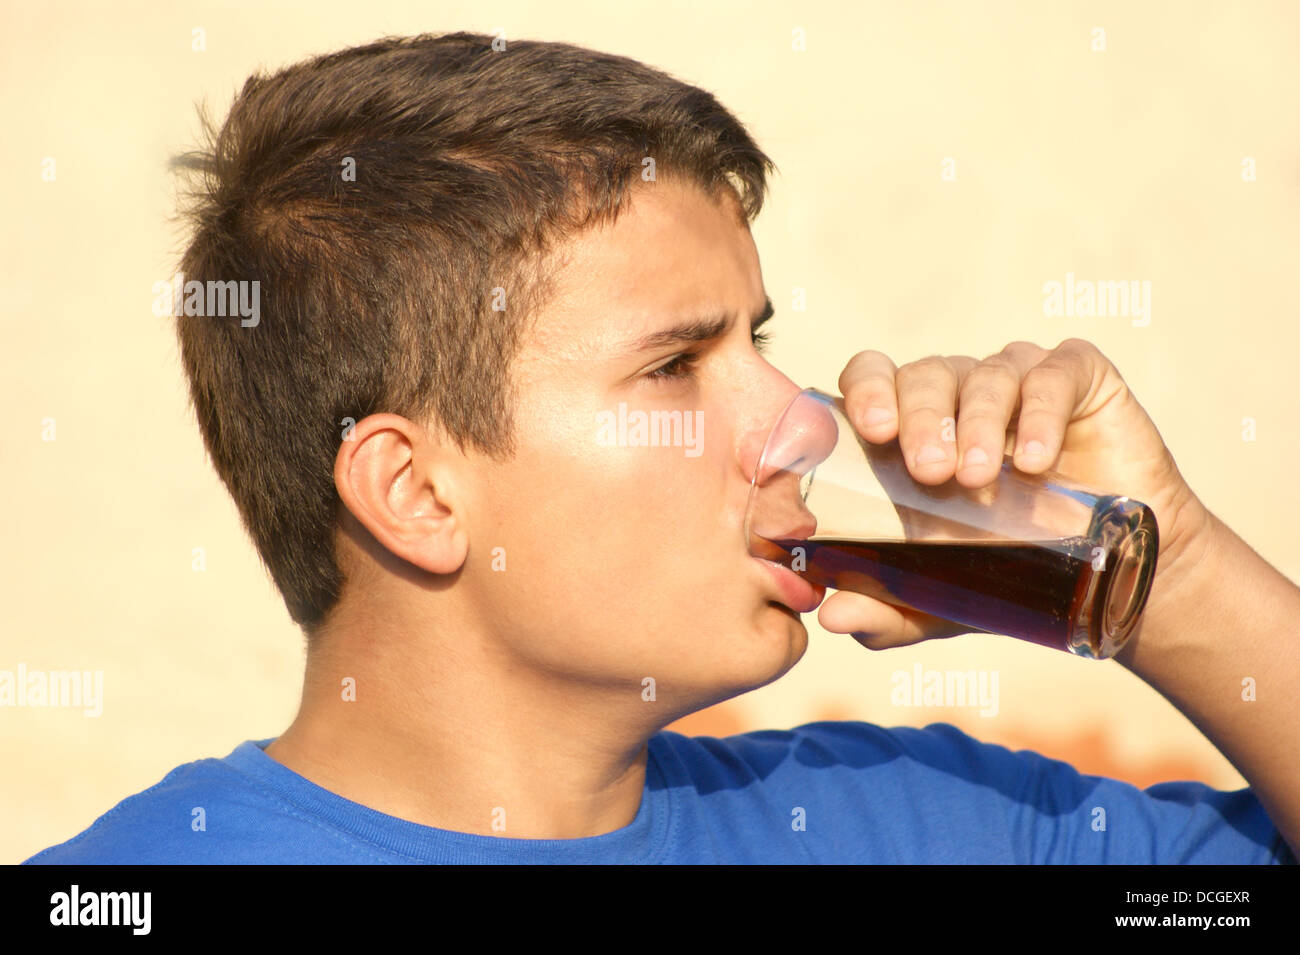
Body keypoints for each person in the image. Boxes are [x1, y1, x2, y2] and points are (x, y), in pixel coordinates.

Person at [24, 31, 1297, 864]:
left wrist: (1171, 578)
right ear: (414, 490)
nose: (803, 417)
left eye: (759, 338)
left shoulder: (919, 824)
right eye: (676, 365)